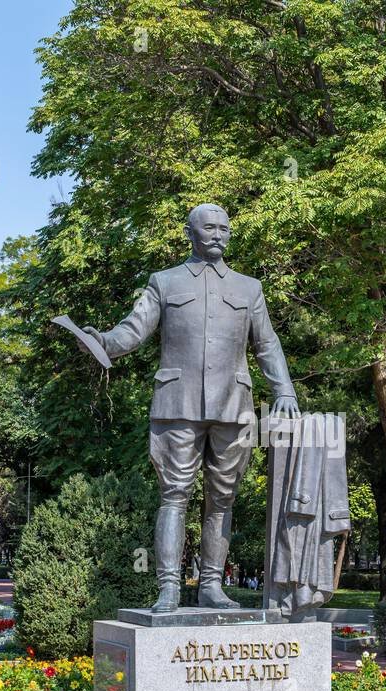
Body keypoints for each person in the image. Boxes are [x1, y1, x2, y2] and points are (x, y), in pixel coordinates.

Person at [81, 203, 300, 613]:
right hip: (177, 403)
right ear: (190, 233)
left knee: (223, 498)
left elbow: (267, 344)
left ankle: (212, 586)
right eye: (209, 228)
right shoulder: (164, 282)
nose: (217, 234)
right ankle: (168, 587)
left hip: (233, 405)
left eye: (224, 228)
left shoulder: (248, 288)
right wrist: (104, 342)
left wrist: (283, 389)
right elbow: (135, 328)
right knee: (174, 494)